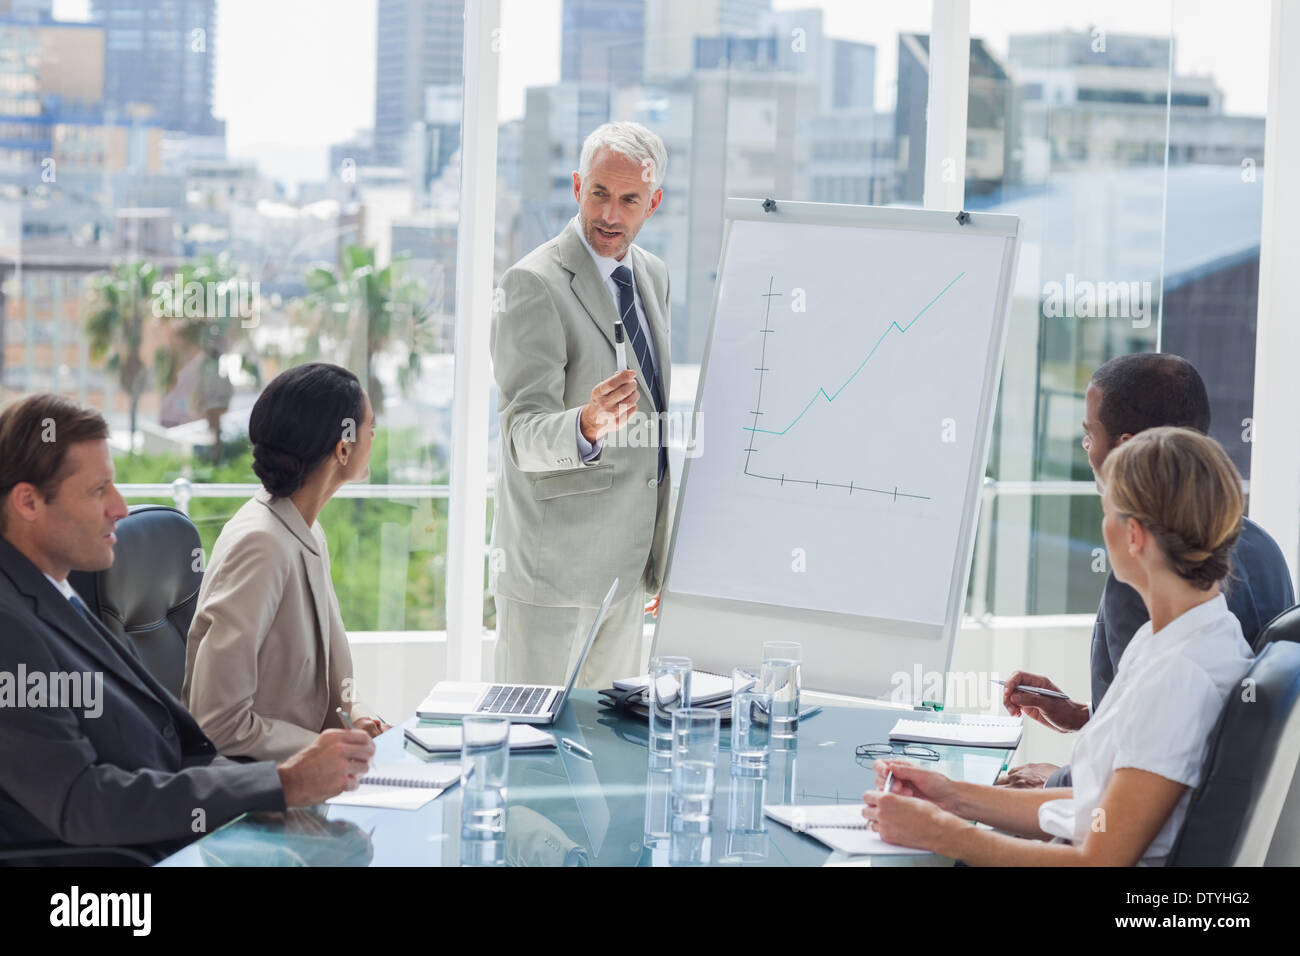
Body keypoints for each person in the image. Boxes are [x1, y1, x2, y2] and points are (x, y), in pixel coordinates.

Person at [0, 394, 373, 860]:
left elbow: (176, 750)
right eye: (99, 491)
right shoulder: (8, 627)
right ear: (29, 502)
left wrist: (266, 792)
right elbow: (82, 801)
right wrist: (282, 783)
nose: (120, 507)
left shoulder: (57, 593)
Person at [864, 427, 1254, 865]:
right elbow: (1096, 807)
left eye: (1106, 512)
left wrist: (944, 835)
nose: (1101, 527)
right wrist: (952, 796)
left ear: (1134, 535)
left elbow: (1098, 862)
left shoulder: (1181, 676)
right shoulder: (1182, 637)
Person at [999, 353, 1293, 788]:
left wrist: (1056, 784)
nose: (1087, 452)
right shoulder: (1264, 547)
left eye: (1088, 437)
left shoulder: (1145, 577)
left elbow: (1137, 776)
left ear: (1125, 448)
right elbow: (1184, 725)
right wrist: (1083, 714)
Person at [490, 121, 674, 688]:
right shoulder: (533, 284)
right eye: (598, 193)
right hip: (554, 583)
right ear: (576, 187)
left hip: (625, 580)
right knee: (534, 758)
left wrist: (658, 560)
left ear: (654, 202)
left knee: (605, 764)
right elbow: (522, 432)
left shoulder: (653, 277)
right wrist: (586, 424)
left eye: (628, 200)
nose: (610, 215)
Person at [183, 363, 389, 762]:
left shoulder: (306, 530)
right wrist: (329, 747)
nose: (374, 436)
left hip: (304, 779)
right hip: (257, 793)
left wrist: (357, 717)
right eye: (370, 426)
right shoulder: (262, 544)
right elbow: (218, 724)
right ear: (342, 447)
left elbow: (325, 676)